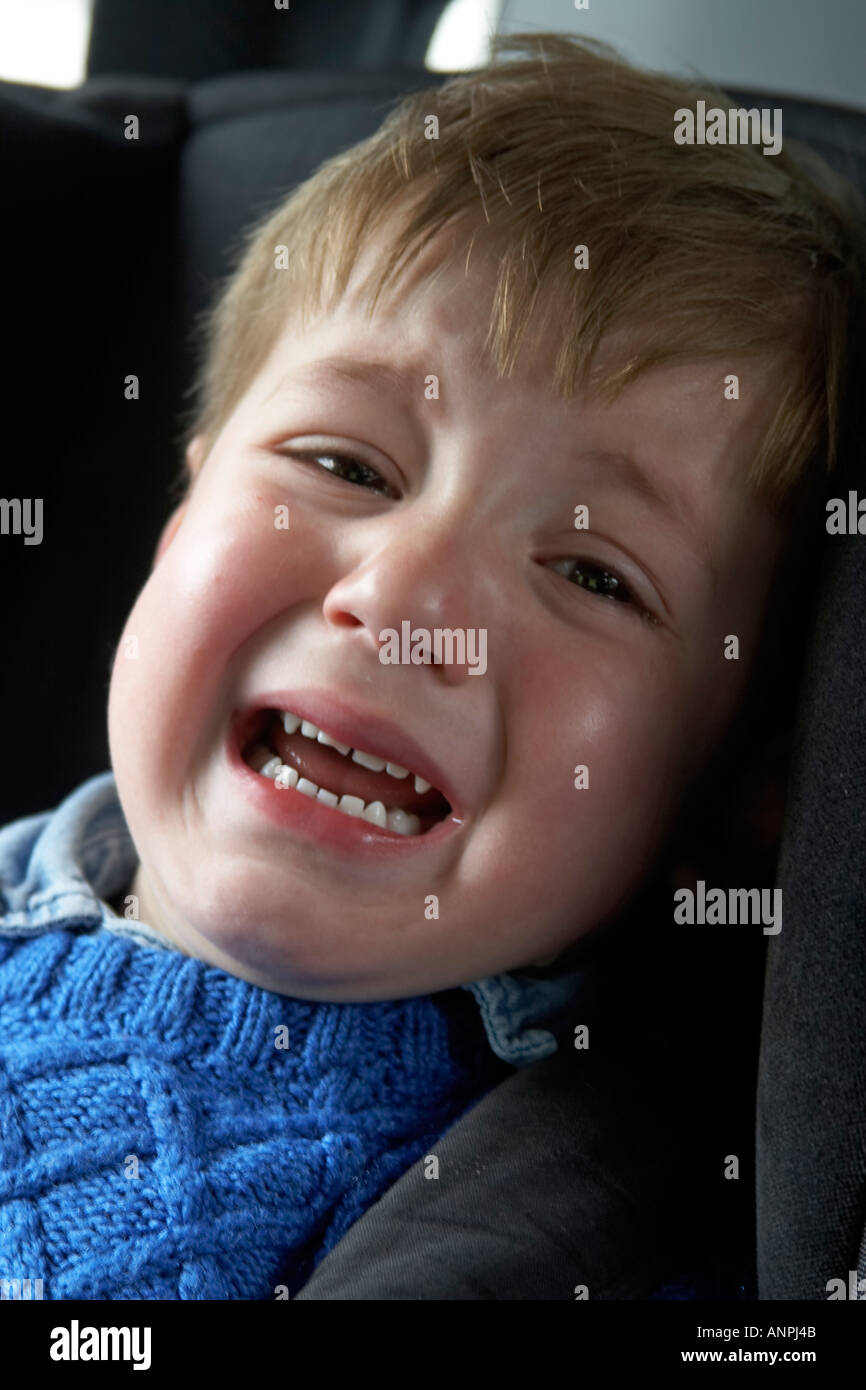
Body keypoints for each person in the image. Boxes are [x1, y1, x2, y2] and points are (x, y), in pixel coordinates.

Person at [1, 32, 863, 1300]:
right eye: (345, 467)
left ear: (733, 799)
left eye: (591, 574)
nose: (404, 601)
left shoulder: (577, 1220)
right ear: (179, 526)